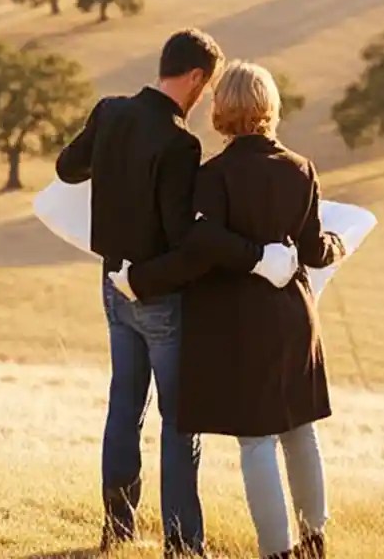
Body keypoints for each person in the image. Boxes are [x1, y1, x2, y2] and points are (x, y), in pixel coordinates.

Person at [55, 30, 299, 556]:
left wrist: (114, 164)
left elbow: (67, 169)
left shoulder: (111, 111)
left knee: (124, 405)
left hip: (112, 283)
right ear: (194, 77)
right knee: (179, 420)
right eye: (206, 86)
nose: (204, 98)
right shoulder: (178, 142)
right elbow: (181, 236)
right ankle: (183, 543)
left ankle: (117, 529)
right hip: (158, 293)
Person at [111, 60, 346, 559]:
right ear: (269, 107)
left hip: (241, 325)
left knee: (256, 441)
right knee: (300, 432)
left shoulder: (212, 177)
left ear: (222, 111)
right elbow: (312, 250)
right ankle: (314, 543)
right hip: (293, 317)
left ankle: (276, 553)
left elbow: (199, 250)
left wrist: (138, 280)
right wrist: (338, 245)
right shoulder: (302, 169)